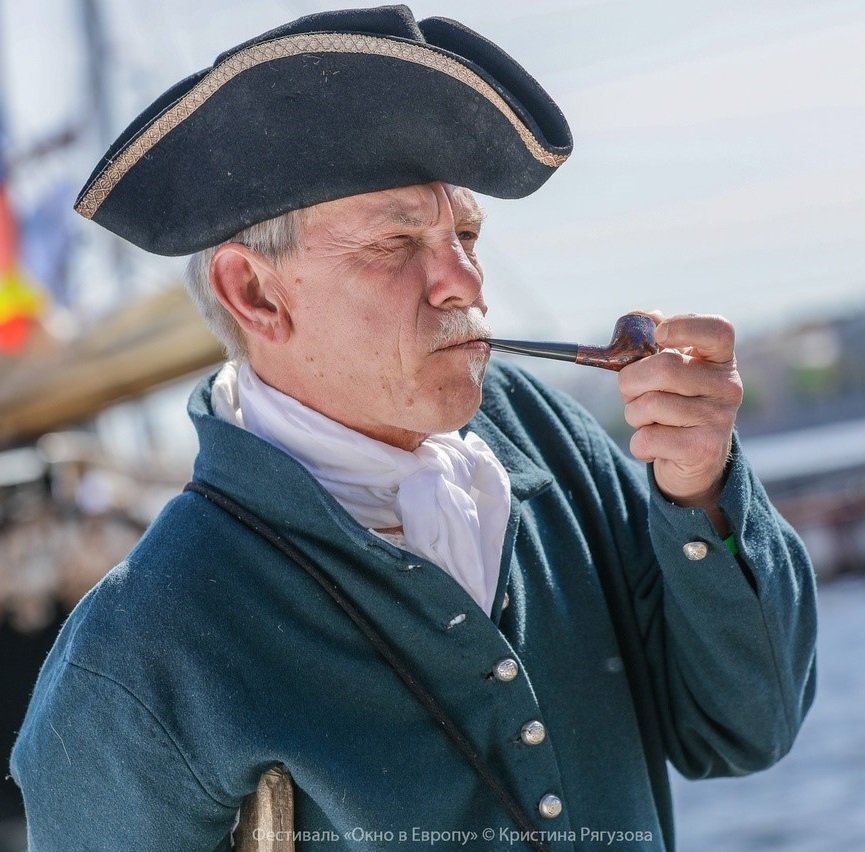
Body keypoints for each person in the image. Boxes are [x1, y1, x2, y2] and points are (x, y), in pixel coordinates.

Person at [10, 6, 816, 851]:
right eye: (398, 242)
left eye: (464, 233)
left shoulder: (543, 436)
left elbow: (744, 729)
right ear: (255, 295)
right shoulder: (137, 650)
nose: (463, 280)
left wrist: (701, 494)